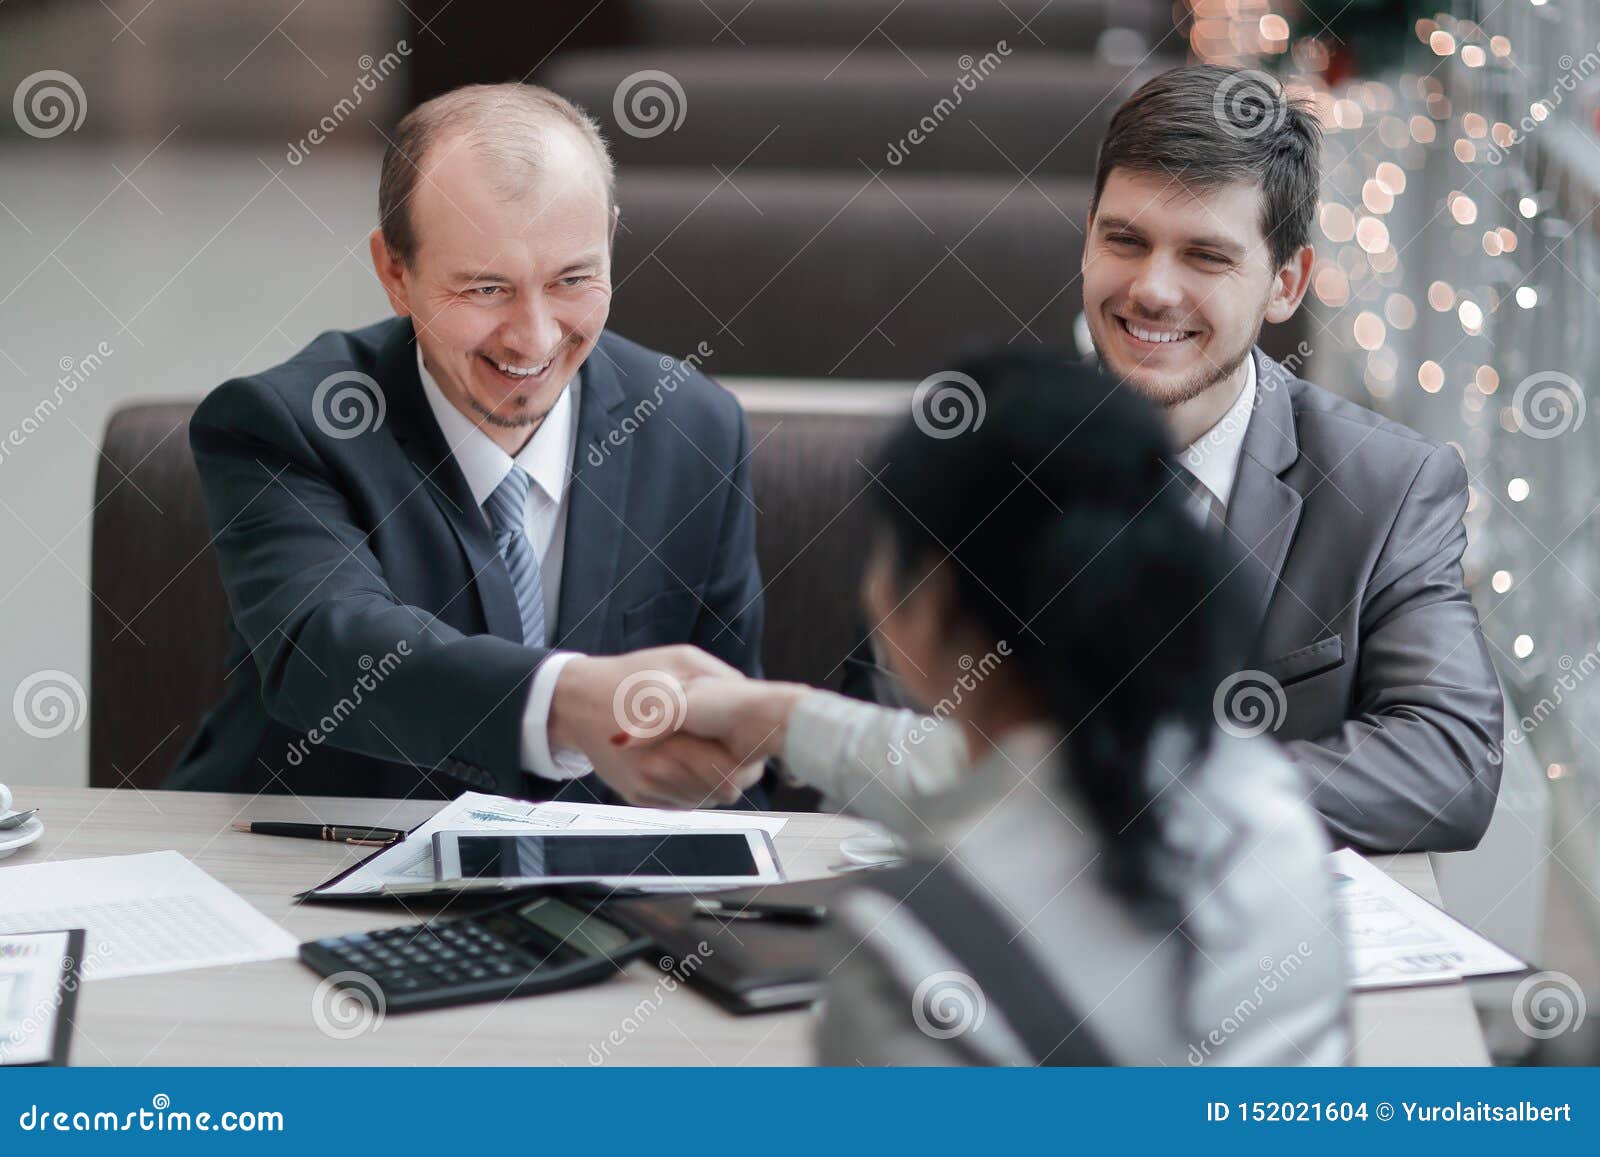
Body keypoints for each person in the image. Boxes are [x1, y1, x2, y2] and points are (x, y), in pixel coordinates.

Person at [841, 64, 1503, 852]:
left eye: (1206, 256)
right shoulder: (983, 452)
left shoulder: (1388, 485)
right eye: (1125, 240)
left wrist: (1144, 798)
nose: (1153, 289)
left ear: (1287, 282)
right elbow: (885, 729)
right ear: (1088, 237)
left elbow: (1450, 760)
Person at [646, 350, 1350, 1065]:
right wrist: (773, 717)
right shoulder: (1269, 808)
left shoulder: (910, 950)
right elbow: (1003, 776)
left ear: (931, 596)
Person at [166, 83, 765, 809]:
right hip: (313, 858)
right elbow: (326, 647)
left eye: (572, 279)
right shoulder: (286, 424)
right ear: (395, 273)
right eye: (485, 290)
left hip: (598, 876)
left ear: (610, 240)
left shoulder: (697, 428)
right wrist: (568, 698)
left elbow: (728, 763)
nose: (534, 339)